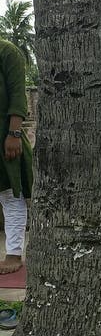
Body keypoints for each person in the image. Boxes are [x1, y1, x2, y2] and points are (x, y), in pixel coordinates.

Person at [0, 39, 33, 274]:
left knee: (11, 195)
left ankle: (13, 253)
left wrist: (13, 132)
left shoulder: (7, 52)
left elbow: (17, 95)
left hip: (5, 136)